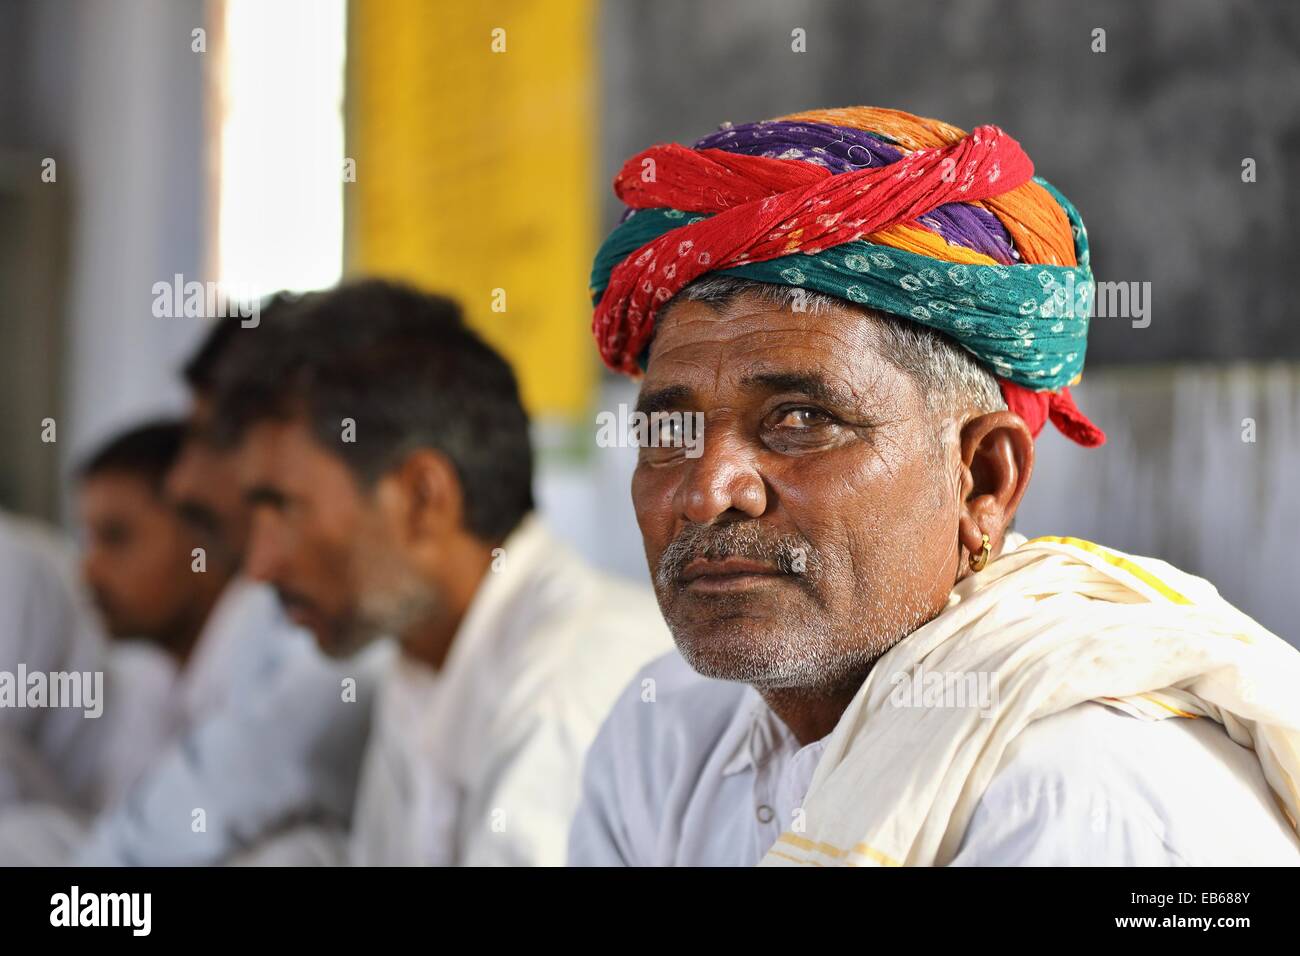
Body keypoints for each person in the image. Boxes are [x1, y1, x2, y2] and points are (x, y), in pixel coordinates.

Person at [569, 106, 1300, 866]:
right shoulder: (661, 738)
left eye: (799, 419)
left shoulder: (1078, 793)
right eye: (669, 432)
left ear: (983, 479)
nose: (707, 490)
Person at [211, 279, 671, 865]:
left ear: (423, 498)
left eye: (284, 507)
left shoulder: (562, 691)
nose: (259, 565)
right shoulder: (423, 660)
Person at [66, 301, 381, 867]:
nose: (183, 483)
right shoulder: (262, 627)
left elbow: (238, 781)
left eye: (209, 440)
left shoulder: (349, 647)